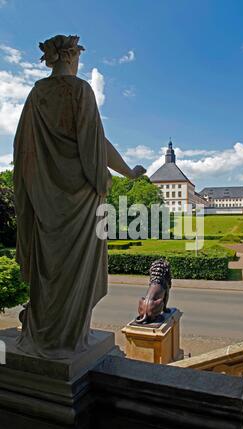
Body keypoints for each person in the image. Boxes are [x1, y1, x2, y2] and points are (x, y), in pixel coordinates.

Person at [13, 35, 145, 358]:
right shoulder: (80, 90)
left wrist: (39, 186)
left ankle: (45, 335)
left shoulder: (34, 96)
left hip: (45, 203)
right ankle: (70, 337)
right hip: (81, 203)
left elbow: (23, 152)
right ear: (71, 57)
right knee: (75, 275)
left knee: (50, 270)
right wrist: (125, 173)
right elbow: (95, 146)